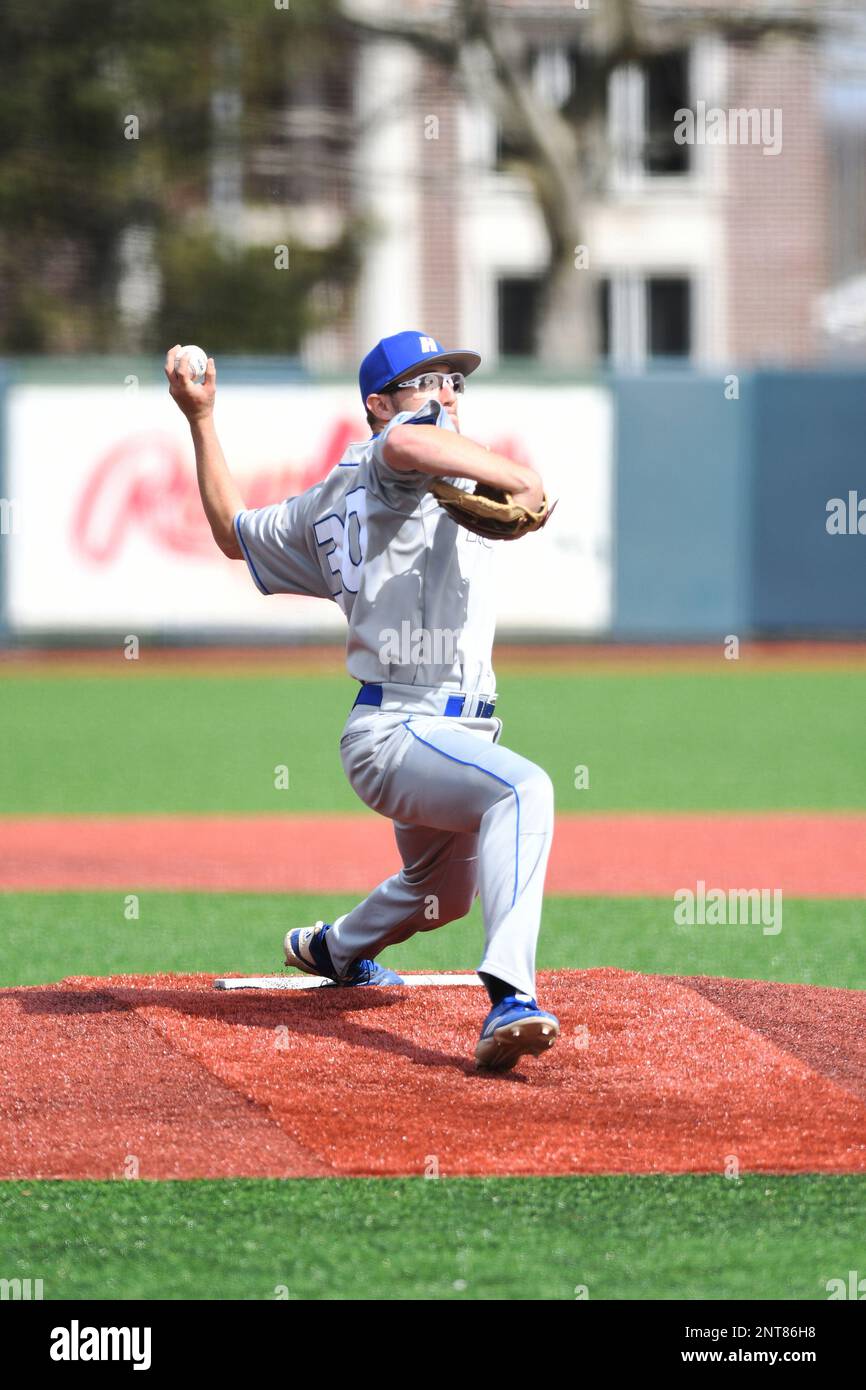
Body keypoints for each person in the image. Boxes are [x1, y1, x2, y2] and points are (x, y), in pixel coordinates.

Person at [166, 330, 559, 1072]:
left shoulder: (325, 503)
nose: (445, 395)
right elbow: (404, 451)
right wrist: (521, 477)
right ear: (378, 406)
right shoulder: (388, 460)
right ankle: (511, 995)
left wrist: (200, 418)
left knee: (438, 894)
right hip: (402, 727)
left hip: (436, 737)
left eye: (454, 382)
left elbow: (231, 533)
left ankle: (332, 949)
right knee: (523, 789)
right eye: (425, 383)